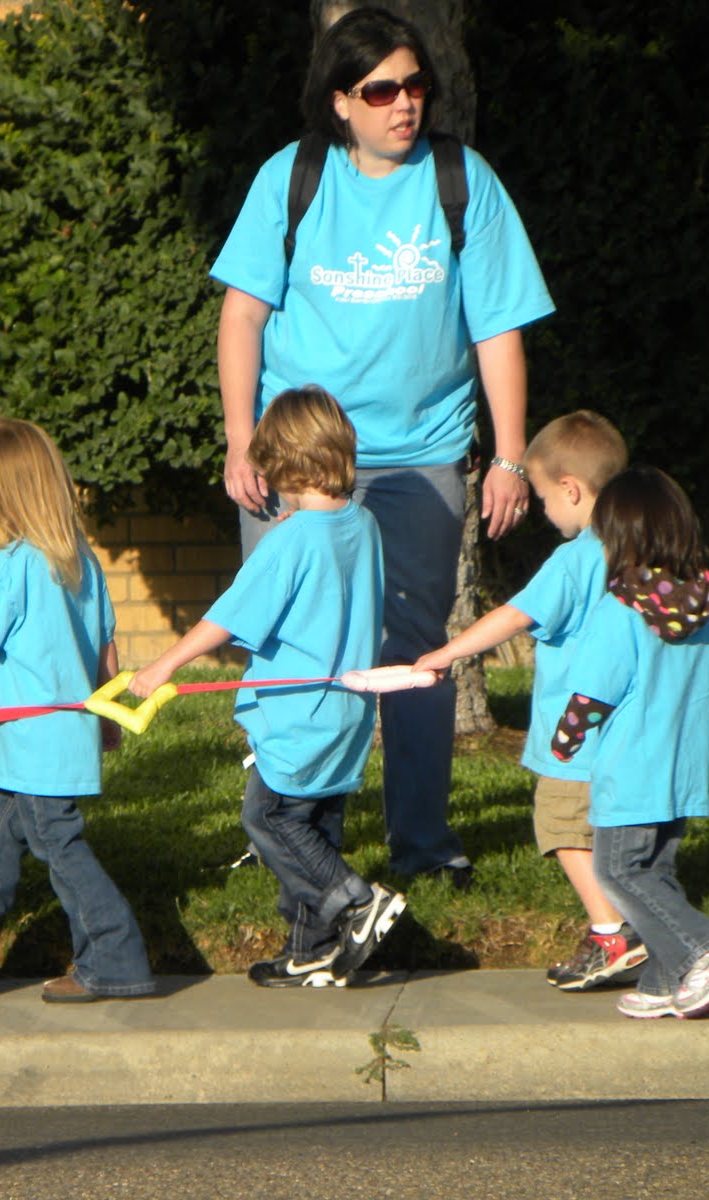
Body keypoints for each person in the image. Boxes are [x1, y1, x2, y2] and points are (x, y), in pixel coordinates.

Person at [211, 7, 554, 884]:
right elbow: (242, 315)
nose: (405, 104)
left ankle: (424, 844)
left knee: (416, 653)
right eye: (382, 90)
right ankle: (289, 837)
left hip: (423, 458)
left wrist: (508, 457)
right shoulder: (290, 178)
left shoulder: (460, 179)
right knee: (291, 650)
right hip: (299, 465)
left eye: (416, 86)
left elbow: (500, 329)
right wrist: (240, 440)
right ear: (340, 102)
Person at [131, 386, 404, 988]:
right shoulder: (363, 524)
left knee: (271, 819)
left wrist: (163, 667)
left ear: (283, 463)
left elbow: (232, 615)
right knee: (315, 825)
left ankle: (355, 900)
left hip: (296, 717)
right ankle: (314, 948)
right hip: (348, 712)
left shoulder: (289, 541)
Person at [0, 419, 154, 1005]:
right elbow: (107, 650)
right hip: (55, 741)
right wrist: (105, 719)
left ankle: (114, 958)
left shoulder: (14, 564)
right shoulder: (81, 559)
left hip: (29, 745)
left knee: (61, 851)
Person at [415, 411, 643, 991]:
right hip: (632, 732)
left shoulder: (575, 558)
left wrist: (447, 654)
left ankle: (613, 932)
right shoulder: (640, 548)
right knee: (619, 837)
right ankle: (638, 921)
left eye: (543, 498)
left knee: (563, 826)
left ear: (571, 489)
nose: (543, 511)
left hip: (574, 739)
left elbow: (515, 615)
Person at [550, 468, 709, 1019]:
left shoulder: (619, 608)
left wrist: (566, 740)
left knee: (619, 873)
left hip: (631, 772)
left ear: (617, 537)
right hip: (683, 771)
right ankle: (663, 979)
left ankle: (708, 948)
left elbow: (594, 693)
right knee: (655, 872)